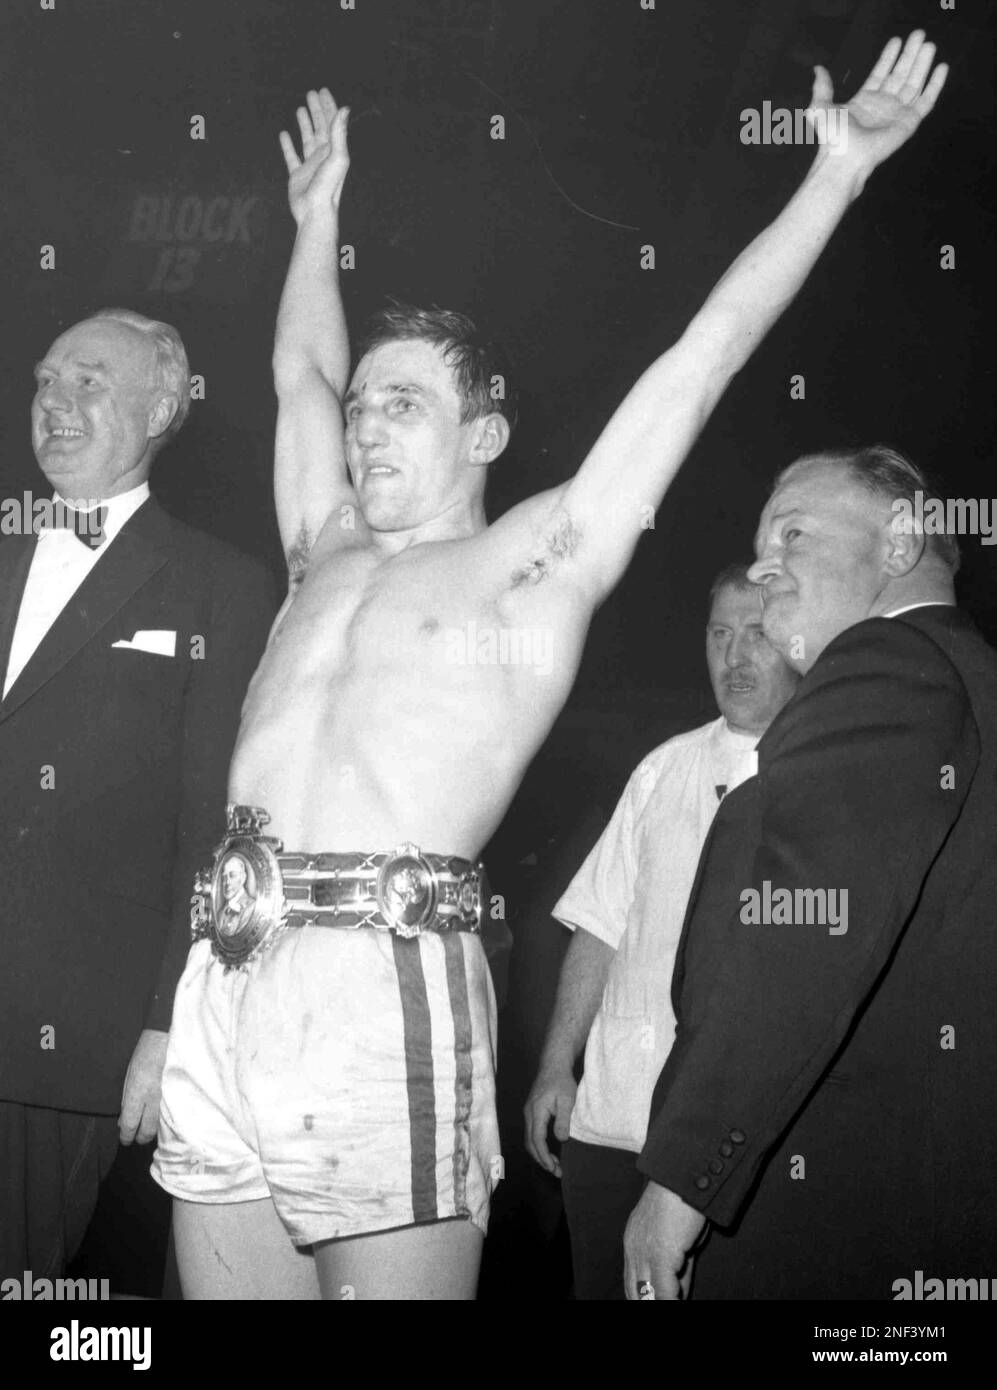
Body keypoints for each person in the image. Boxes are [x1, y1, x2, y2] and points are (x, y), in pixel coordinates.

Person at [153, 32, 948, 1300]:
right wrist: (318, 220)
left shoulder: (537, 562)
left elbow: (704, 357)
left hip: (383, 981)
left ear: (485, 429)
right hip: (228, 974)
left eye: (400, 403)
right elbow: (297, 370)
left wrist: (835, 174)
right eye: (362, 409)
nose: (362, 426)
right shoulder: (321, 546)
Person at [624, 445, 997, 1300]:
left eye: (792, 532)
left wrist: (683, 1178)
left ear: (900, 544)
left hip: (835, 1222)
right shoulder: (973, 681)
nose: (763, 564)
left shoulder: (884, 666)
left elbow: (801, 934)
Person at [0, 308, 275, 1284]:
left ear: (162, 409)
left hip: (67, 1040)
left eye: (88, 381)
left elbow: (214, 832)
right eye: (44, 380)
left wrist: (167, 1026)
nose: (55, 402)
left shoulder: (221, 588)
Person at [524, 565, 798, 1299]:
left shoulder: (822, 778)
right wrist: (557, 1065)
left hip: (728, 1148)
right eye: (719, 634)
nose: (734, 656)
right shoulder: (661, 768)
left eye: (758, 635)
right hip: (611, 1127)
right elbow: (597, 927)